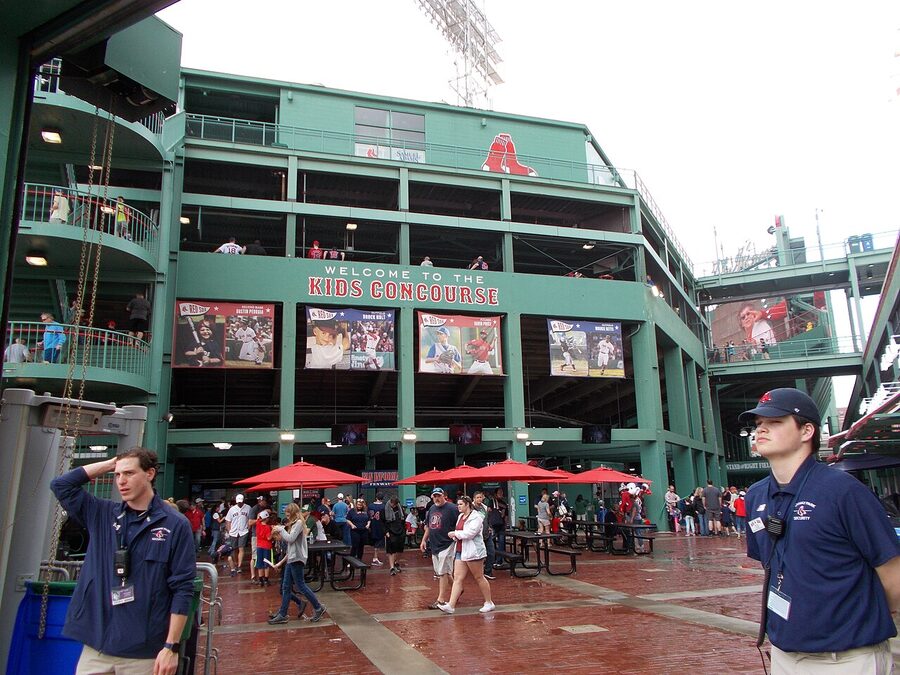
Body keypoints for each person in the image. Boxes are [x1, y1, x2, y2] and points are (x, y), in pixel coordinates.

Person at [741, 387, 900, 673]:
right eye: (758, 424)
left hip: (848, 658)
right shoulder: (755, 496)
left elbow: (892, 572)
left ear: (807, 431)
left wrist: (863, 615)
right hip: (784, 654)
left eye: (775, 422)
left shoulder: (844, 492)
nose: (761, 430)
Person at [50, 448, 195, 674]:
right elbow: (61, 485)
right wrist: (110, 464)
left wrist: (171, 646)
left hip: (144, 653)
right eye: (117, 475)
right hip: (97, 647)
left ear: (150, 474)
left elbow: (182, 588)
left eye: (129, 473)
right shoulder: (102, 514)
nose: (121, 481)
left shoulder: (175, 525)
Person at [267, 503, 327, 624]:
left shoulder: (299, 523)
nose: (287, 517)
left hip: (297, 559)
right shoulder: (295, 524)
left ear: (293, 514)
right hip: (292, 559)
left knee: (300, 585)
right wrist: (280, 562)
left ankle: (318, 607)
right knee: (286, 587)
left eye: (289, 515)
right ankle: (283, 613)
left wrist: (280, 529)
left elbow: (290, 538)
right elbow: (291, 547)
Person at [439, 495, 495, 614]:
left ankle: (489, 602)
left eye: (460, 504)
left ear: (467, 504)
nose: (458, 506)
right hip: (461, 550)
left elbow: (470, 533)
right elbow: (461, 531)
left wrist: (455, 534)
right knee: (458, 578)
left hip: (473, 551)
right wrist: (456, 535)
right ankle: (451, 605)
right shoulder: (460, 516)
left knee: (479, 577)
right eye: (458, 504)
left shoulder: (477, 517)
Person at [420, 487, 459, 610]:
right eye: (434, 496)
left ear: (444, 496)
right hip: (435, 544)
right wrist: (424, 540)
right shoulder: (432, 508)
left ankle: (440, 600)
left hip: (447, 544)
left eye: (438, 496)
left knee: (442, 572)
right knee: (442, 571)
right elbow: (429, 526)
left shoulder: (452, 508)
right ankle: (457, 589)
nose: (436, 498)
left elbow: (461, 522)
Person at [224, 493, 251, 576]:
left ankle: (239, 565)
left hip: (243, 531)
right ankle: (235, 563)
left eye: (241, 501)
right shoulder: (232, 509)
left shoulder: (248, 508)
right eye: (238, 502)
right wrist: (229, 530)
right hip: (234, 531)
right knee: (235, 549)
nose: (239, 503)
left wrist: (248, 528)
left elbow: (249, 519)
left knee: (241, 548)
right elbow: (228, 520)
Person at [473, 491, 496, 580]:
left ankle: (488, 571)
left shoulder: (485, 508)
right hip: (477, 535)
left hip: (487, 533)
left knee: (491, 552)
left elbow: (487, 519)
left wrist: (489, 526)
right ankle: (478, 572)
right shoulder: (471, 508)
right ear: (474, 498)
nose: (479, 499)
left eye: (480, 497)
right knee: (478, 555)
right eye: (477, 497)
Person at [248, 495, 268, 585]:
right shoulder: (254, 509)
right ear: (260, 501)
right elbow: (250, 522)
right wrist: (259, 519)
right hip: (256, 535)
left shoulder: (266, 508)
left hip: (263, 537)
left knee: (263, 557)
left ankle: (262, 577)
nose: (265, 502)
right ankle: (253, 576)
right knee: (255, 556)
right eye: (264, 501)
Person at [383, 495, 406, 575]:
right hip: (390, 531)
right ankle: (392, 567)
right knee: (391, 550)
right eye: (393, 504)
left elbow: (403, 519)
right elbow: (383, 521)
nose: (394, 506)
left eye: (396, 505)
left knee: (400, 550)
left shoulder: (400, 508)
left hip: (400, 530)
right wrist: (386, 532)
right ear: (391, 502)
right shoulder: (385, 508)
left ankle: (396, 562)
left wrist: (403, 530)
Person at [254, 509, 273, 586]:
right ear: (267, 519)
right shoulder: (268, 527)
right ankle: (266, 579)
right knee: (266, 563)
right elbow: (268, 538)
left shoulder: (258, 525)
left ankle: (260, 579)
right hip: (267, 546)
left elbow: (258, 517)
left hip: (259, 546)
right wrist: (273, 532)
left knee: (259, 563)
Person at [368, 492, 386, 566]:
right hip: (380, 526)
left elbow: (368, 515)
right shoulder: (383, 506)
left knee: (375, 543)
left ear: (376, 497)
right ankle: (375, 558)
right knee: (378, 544)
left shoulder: (370, 505)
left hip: (372, 525)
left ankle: (375, 558)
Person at [488, 487, 507, 555]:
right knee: (492, 542)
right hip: (493, 525)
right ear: (495, 494)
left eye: (502, 492)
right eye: (499, 493)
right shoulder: (491, 501)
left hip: (501, 525)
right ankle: (494, 557)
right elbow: (489, 512)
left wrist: (505, 525)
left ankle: (499, 560)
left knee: (501, 542)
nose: (501, 494)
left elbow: (506, 516)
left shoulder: (504, 504)